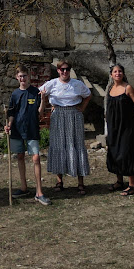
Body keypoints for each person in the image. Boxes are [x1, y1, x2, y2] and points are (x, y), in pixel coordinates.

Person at [39, 60, 91, 194]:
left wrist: (82, 108)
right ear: (58, 70)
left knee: (77, 144)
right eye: (62, 69)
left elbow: (88, 95)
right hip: (58, 115)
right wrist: (47, 102)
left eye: (67, 69)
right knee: (59, 145)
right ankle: (59, 181)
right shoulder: (52, 83)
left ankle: (80, 183)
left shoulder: (77, 84)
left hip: (74, 115)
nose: (65, 72)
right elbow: (40, 93)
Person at [5, 66, 51, 205]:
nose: (22, 78)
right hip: (17, 130)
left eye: (24, 75)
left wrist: (42, 99)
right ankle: (24, 187)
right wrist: (9, 125)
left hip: (32, 129)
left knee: (36, 158)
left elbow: (40, 112)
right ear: (17, 77)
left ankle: (39, 192)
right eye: (20, 76)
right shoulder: (15, 94)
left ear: (28, 76)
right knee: (20, 156)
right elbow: (12, 113)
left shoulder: (35, 92)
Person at [105, 63, 134, 196]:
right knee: (115, 151)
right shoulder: (110, 88)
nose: (118, 74)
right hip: (114, 126)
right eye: (115, 72)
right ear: (111, 75)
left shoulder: (127, 88)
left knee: (127, 152)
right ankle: (119, 181)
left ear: (123, 74)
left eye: (120, 71)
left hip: (127, 126)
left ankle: (132, 185)